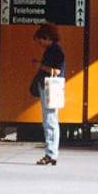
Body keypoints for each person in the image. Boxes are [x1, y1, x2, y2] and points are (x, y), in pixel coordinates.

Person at [32, 23, 64, 166]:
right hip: (50, 87)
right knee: (50, 119)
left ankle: (51, 153)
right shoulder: (53, 50)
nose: (40, 44)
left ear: (46, 37)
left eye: (40, 41)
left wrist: (40, 66)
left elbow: (57, 70)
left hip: (51, 87)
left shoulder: (56, 51)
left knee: (50, 120)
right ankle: (51, 153)